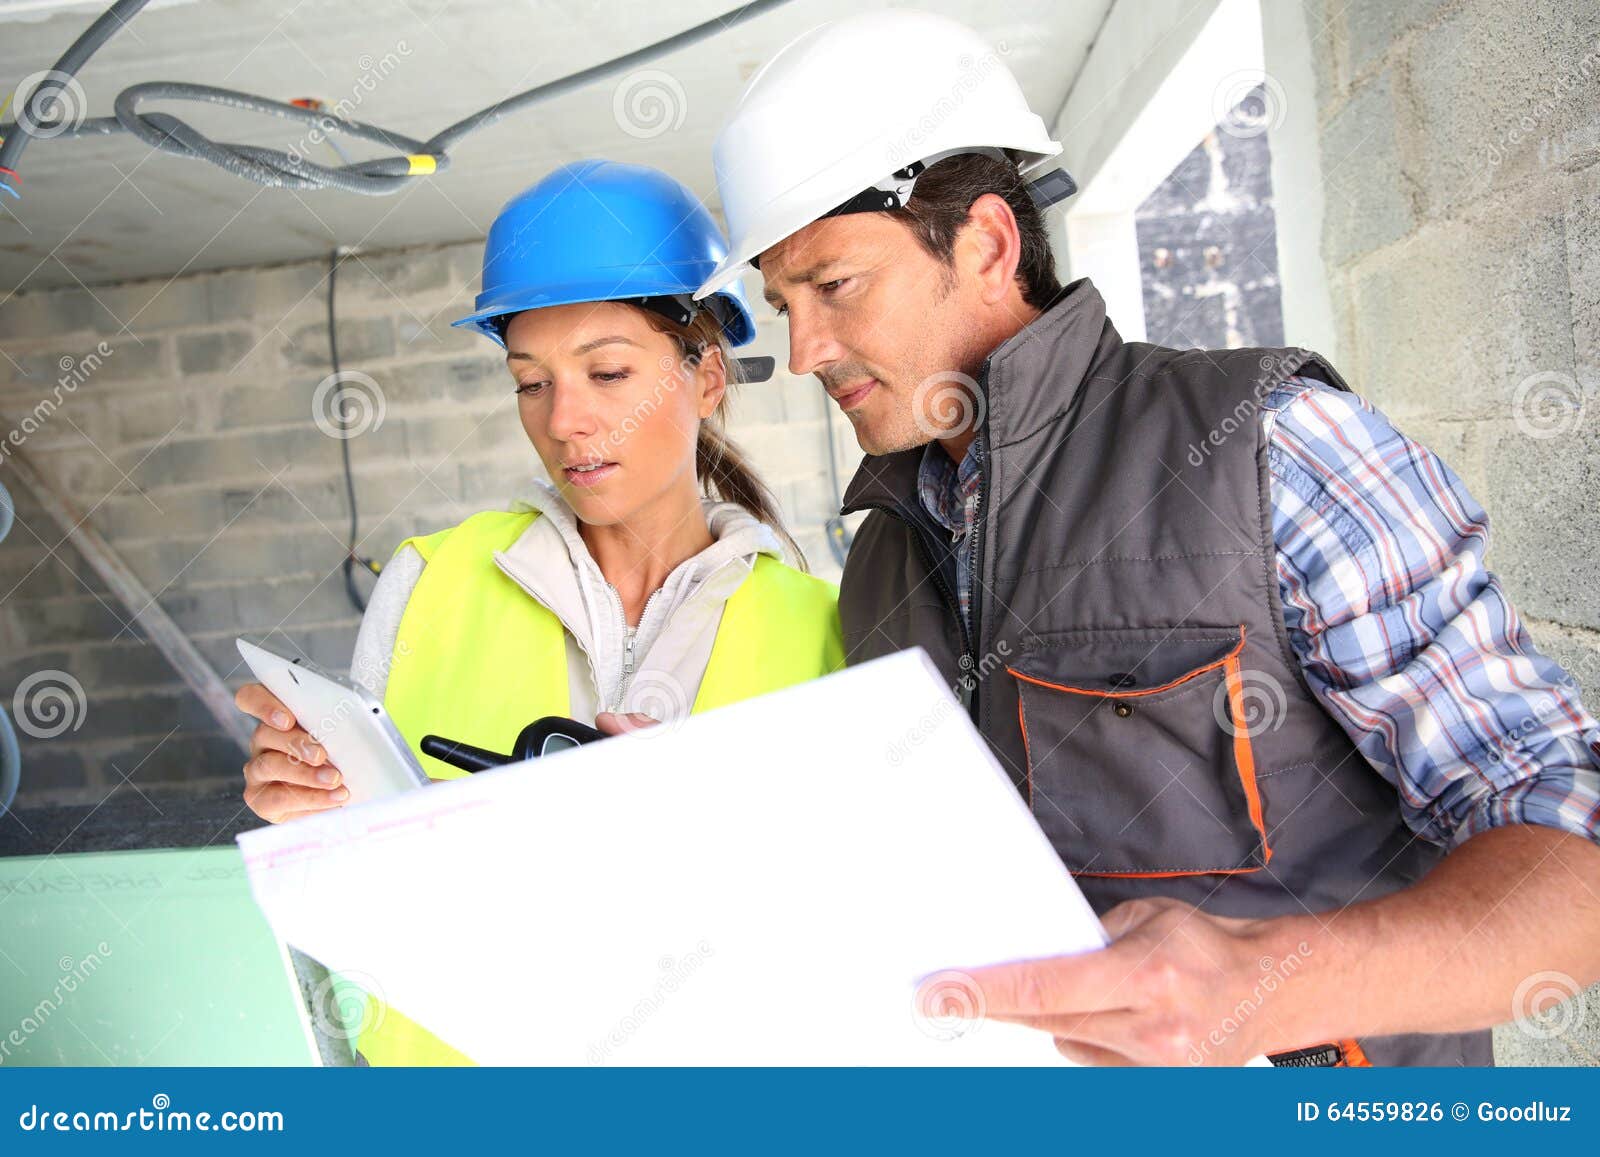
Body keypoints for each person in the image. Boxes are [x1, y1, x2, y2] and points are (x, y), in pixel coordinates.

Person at [696, 9, 1600, 1066]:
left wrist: (1261, 986)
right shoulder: (886, 552)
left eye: (834, 286)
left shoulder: (1268, 445)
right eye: (782, 302)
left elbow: (1565, 828)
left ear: (986, 242)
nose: (804, 350)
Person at [234, 160, 844, 1063]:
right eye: (531, 381)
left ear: (706, 376)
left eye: (606, 372)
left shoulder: (830, 631)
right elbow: (351, 913)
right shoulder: (427, 581)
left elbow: (847, 934)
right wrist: (308, 818)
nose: (566, 420)